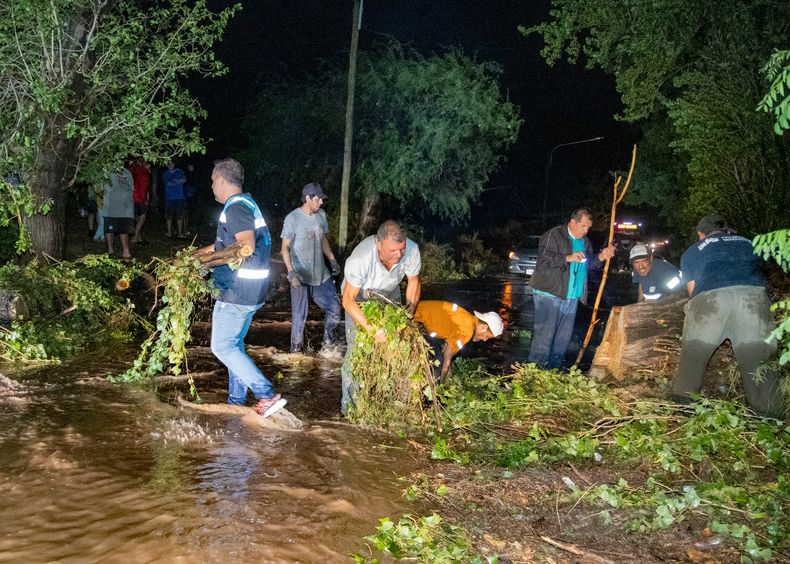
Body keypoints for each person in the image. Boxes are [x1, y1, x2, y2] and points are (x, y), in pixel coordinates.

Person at [197, 158, 286, 418]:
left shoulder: (235, 208)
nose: (212, 186)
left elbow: (244, 246)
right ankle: (236, 400)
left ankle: (266, 395)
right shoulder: (246, 205)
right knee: (234, 345)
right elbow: (223, 245)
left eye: (213, 180)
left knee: (222, 347)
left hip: (237, 291)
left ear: (222, 180)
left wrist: (207, 263)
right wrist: (193, 257)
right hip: (251, 290)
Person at [672, 214, 782, 417]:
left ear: (701, 234)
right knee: (760, 366)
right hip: (754, 300)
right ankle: (771, 421)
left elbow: (692, 292)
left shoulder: (692, 252)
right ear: (728, 230)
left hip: (711, 301)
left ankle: (682, 410)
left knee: (692, 360)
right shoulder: (749, 242)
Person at [340, 220, 422, 413]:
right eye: (393, 251)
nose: (399, 255)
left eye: (401, 250)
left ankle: (388, 398)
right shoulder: (360, 259)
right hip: (359, 297)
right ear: (378, 244)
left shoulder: (411, 250)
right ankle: (349, 408)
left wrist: (408, 313)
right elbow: (347, 301)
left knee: (397, 345)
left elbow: (413, 282)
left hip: (390, 293)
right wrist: (372, 330)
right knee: (356, 350)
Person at [528, 208, 615, 368]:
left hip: (572, 297)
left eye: (588, 227)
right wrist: (567, 258)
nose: (586, 230)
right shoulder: (554, 235)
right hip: (549, 294)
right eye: (583, 226)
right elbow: (544, 258)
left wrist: (601, 256)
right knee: (544, 337)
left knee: (563, 338)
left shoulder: (585, 242)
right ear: (573, 222)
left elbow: (589, 265)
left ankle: (553, 370)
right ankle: (534, 371)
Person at [280, 182, 342, 353]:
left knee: (335, 310)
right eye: (318, 199)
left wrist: (332, 259)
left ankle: (328, 346)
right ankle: (296, 352)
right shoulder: (292, 218)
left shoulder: (321, 215)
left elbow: (322, 239)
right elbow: (284, 248)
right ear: (307, 198)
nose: (321, 202)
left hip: (321, 274)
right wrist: (291, 272)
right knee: (299, 318)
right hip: (300, 275)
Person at [414, 300, 504, 381]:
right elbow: (447, 356)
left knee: (441, 353)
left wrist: (449, 373)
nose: (484, 340)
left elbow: (447, 348)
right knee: (440, 362)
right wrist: (443, 383)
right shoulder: (467, 331)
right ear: (483, 327)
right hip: (416, 317)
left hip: (419, 311)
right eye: (487, 336)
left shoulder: (469, 319)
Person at [101, 166, 135, 258]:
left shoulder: (127, 172)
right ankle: (110, 250)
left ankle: (126, 251)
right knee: (109, 230)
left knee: (124, 230)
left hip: (125, 208)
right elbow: (101, 187)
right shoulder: (106, 171)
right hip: (110, 208)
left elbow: (132, 188)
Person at [162, 160, 186, 238]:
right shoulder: (165, 173)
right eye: (168, 163)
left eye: (171, 163)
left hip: (180, 197)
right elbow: (168, 183)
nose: (170, 165)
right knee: (169, 216)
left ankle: (180, 233)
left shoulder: (180, 171)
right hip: (169, 198)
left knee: (179, 216)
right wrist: (179, 181)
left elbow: (184, 180)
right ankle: (169, 232)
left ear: (174, 164)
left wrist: (175, 181)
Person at [129, 157, 151, 244]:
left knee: (138, 217)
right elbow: (144, 187)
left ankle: (139, 237)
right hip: (139, 198)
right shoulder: (144, 173)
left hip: (133, 197)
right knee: (142, 217)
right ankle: (135, 237)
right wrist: (144, 199)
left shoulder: (134, 170)